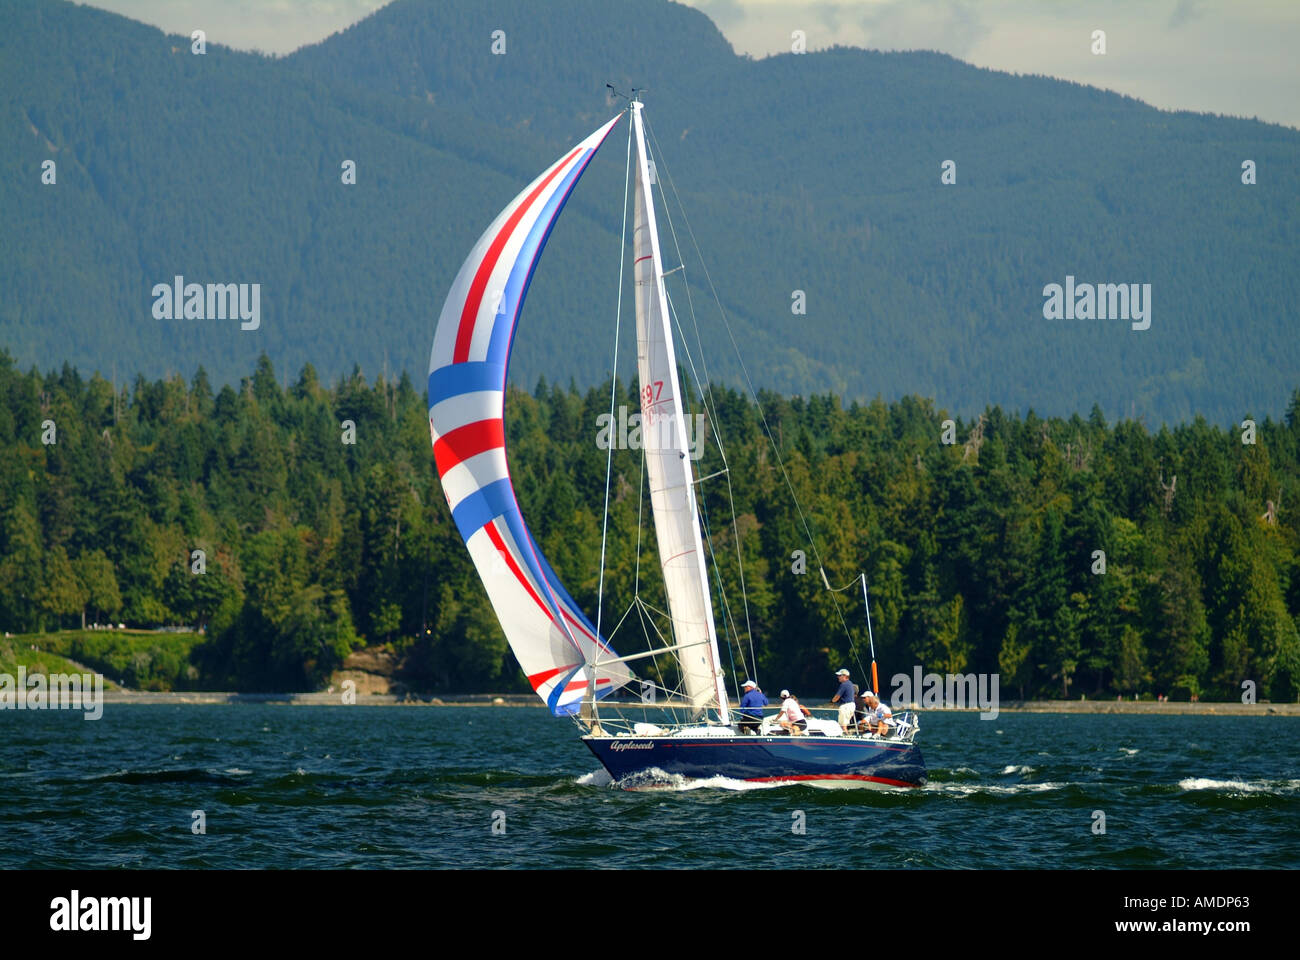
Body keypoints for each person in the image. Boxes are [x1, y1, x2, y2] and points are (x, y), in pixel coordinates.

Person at [831, 668, 857, 734]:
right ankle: (845, 735)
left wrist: (832, 702)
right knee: (844, 724)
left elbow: (837, 696)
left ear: (845, 676)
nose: (838, 677)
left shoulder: (844, 684)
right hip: (851, 705)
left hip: (846, 706)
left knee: (843, 726)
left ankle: (845, 737)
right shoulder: (850, 683)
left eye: (840, 676)